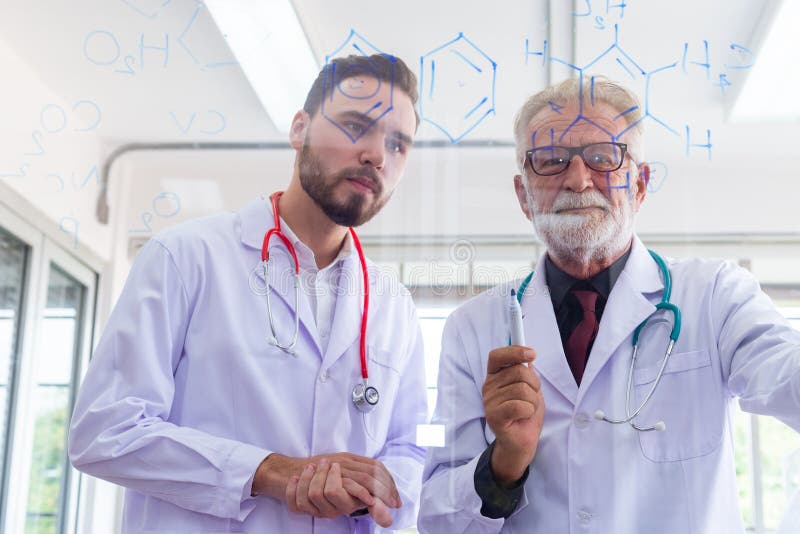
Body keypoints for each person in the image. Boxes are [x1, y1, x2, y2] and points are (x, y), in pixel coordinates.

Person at [417, 76, 800, 533]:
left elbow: (786, 375)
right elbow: (437, 519)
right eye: (551, 161)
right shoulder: (472, 328)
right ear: (523, 195)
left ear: (639, 184)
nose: (578, 180)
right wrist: (504, 464)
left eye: (603, 157)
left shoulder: (715, 295)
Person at [68, 54, 428, 533]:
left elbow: (414, 444)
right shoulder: (186, 258)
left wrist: (376, 485)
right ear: (299, 129)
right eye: (355, 126)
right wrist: (269, 472)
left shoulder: (393, 305)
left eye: (398, 144)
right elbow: (104, 430)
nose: (377, 155)